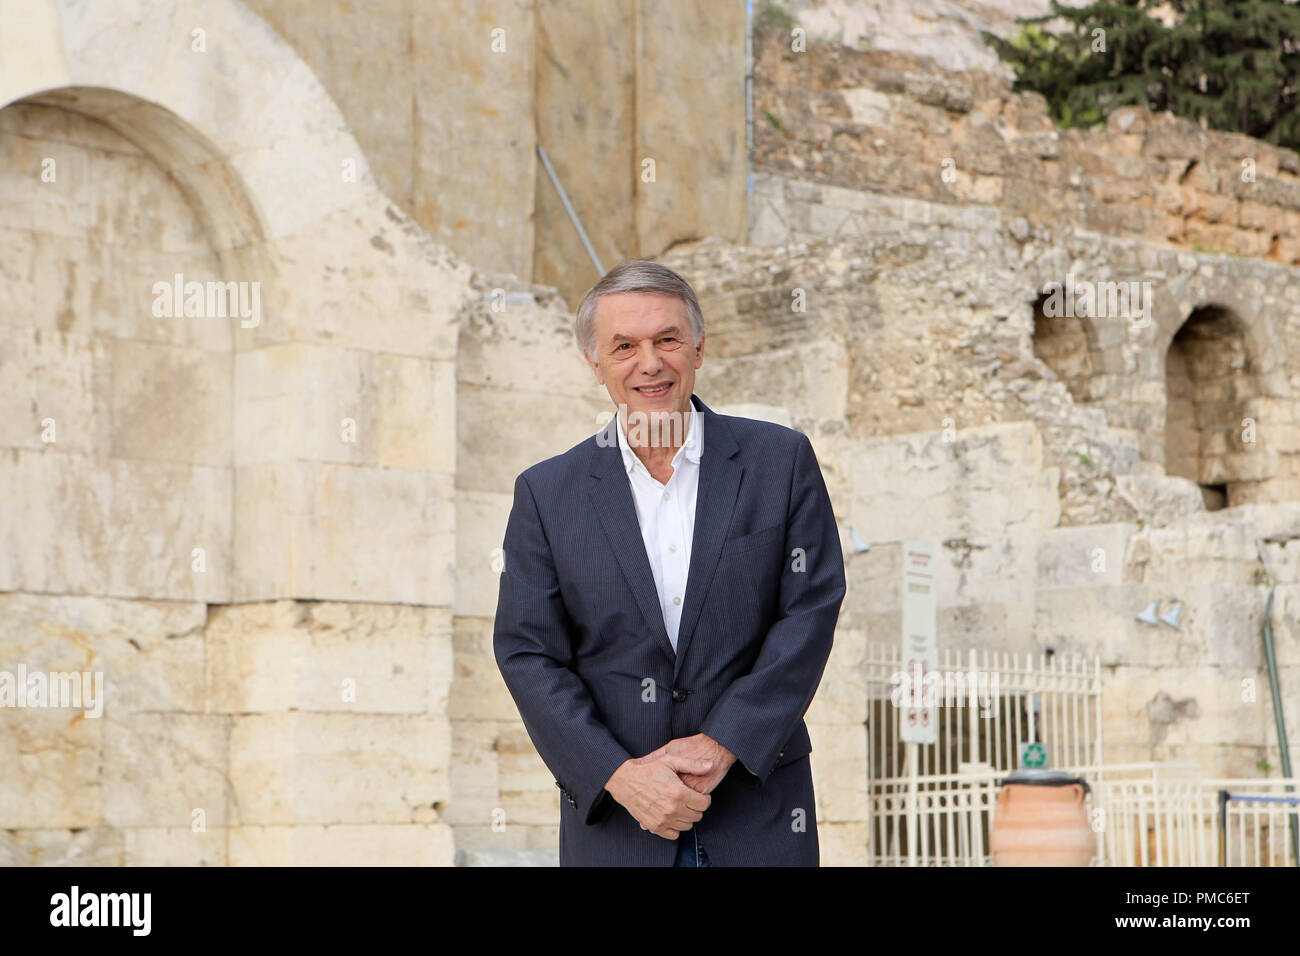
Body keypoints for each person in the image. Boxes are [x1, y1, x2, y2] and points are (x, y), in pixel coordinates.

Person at [492, 259, 846, 866]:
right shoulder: (547, 493)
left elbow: (809, 610)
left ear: (700, 348)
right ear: (594, 362)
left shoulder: (779, 462)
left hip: (758, 813)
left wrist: (723, 744)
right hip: (618, 827)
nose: (649, 362)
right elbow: (528, 652)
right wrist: (619, 776)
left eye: (667, 339)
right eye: (624, 345)